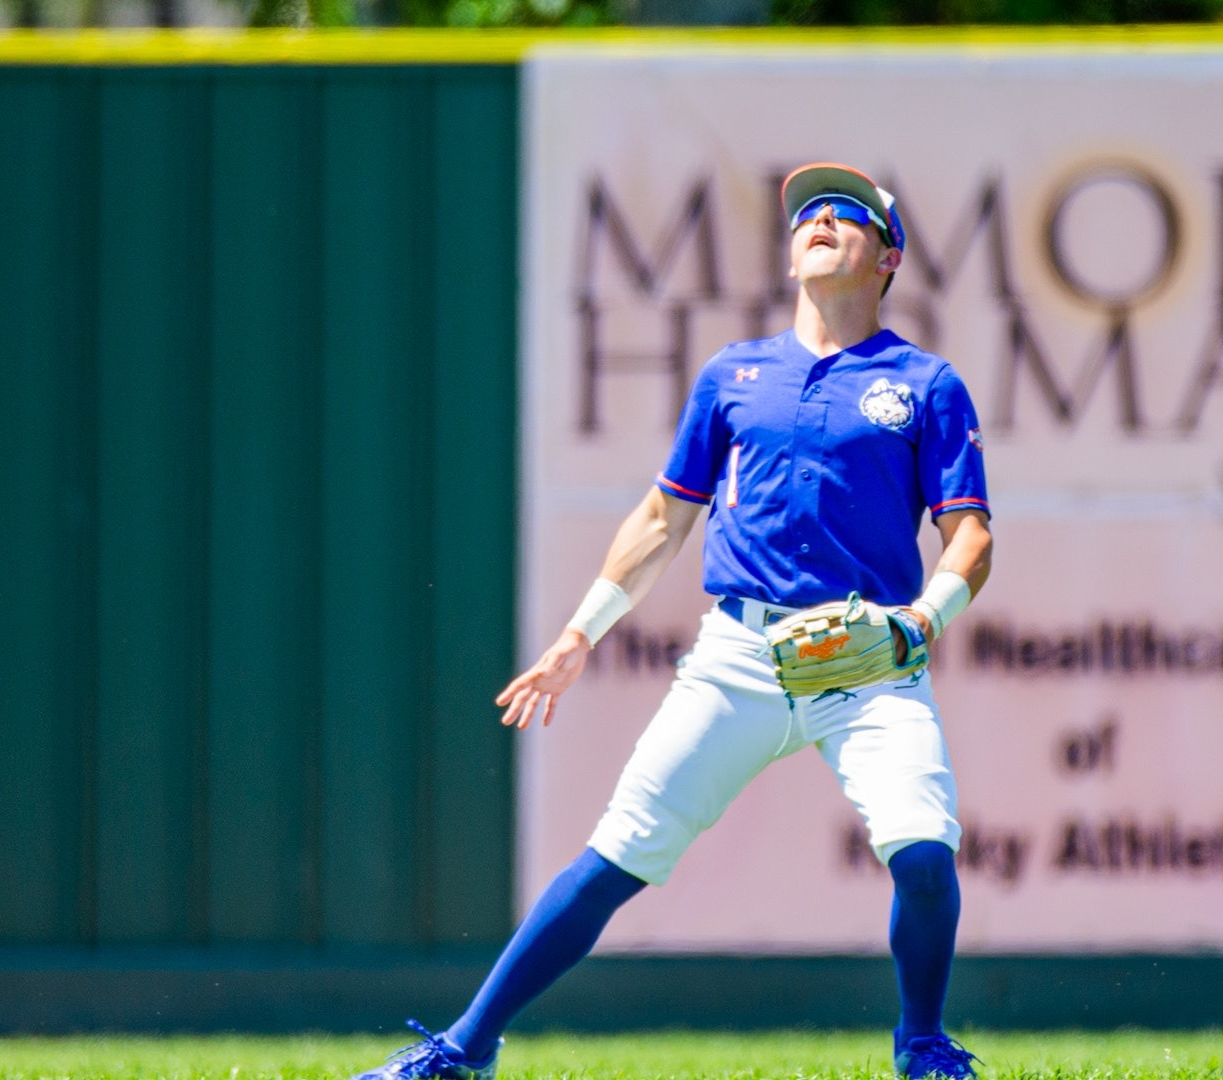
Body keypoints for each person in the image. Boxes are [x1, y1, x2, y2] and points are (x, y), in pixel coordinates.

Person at [353, 162, 994, 1080]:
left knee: (924, 854)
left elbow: (970, 537)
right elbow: (663, 519)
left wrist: (919, 624)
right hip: (740, 652)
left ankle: (923, 1047)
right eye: (806, 213)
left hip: (869, 658)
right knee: (616, 854)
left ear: (888, 257)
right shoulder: (734, 374)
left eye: (846, 213)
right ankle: (463, 1048)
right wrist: (580, 633)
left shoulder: (925, 382)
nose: (819, 219)